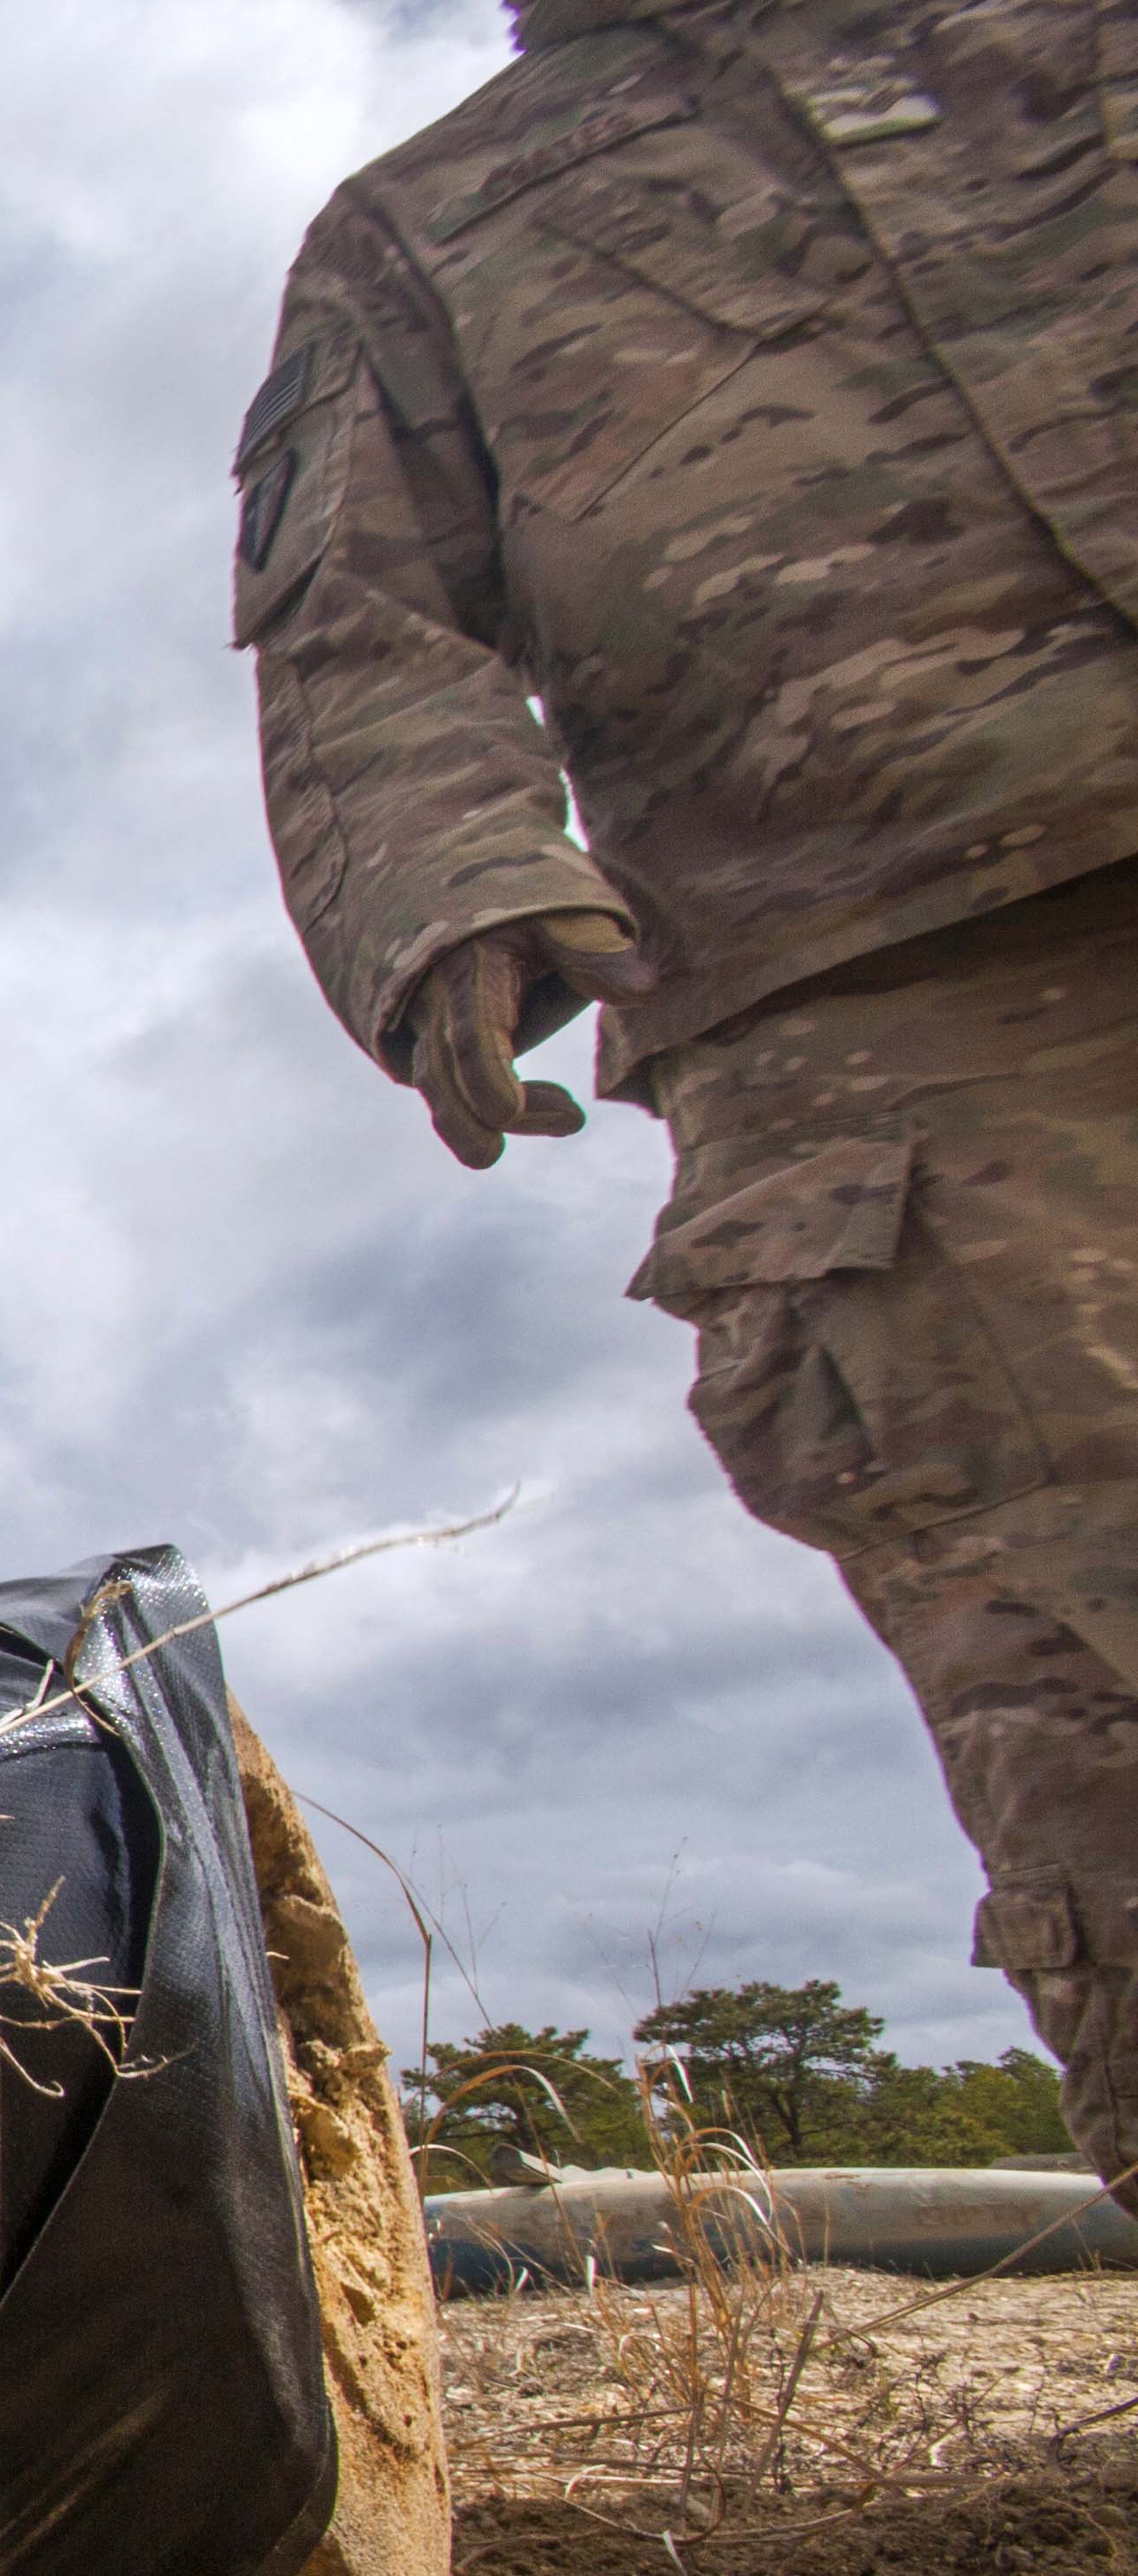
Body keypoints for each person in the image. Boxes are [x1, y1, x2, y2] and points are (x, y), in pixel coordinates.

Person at [240, 0, 1138, 2192]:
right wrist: (445, 882)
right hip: (870, 1008)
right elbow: (349, 613)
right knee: (1086, 1662)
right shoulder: (423, 230)